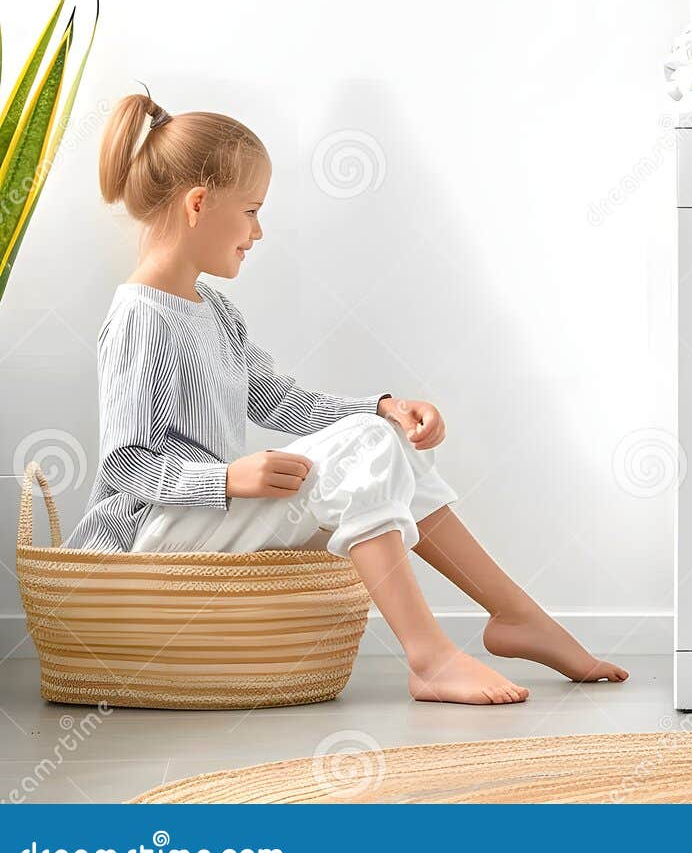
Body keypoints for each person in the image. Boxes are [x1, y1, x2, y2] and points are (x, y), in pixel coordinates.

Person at [70, 92, 627, 704]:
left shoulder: (215, 309)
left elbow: (274, 402)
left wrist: (381, 408)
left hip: (204, 516)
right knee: (365, 451)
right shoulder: (141, 317)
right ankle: (430, 656)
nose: (258, 231)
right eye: (252, 211)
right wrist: (227, 478)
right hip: (148, 532)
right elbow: (125, 467)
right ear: (198, 204)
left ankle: (516, 615)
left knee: (382, 439)